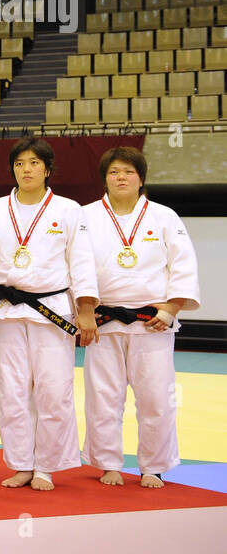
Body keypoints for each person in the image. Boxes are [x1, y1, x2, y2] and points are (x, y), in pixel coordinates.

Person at [0, 135, 98, 491]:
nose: (26, 169)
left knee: (53, 388)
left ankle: (46, 464)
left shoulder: (68, 209)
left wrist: (87, 310)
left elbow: (80, 262)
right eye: (19, 164)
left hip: (52, 310)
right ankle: (21, 462)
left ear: (47, 169)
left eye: (34, 163)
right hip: (8, 310)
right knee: (11, 389)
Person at [81, 146, 199, 489]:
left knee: (156, 398)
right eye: (114, 172)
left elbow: (183, 265)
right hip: (103, 321)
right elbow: (78, 267)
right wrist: (85, 312)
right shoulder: (86, 216)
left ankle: (154, 465)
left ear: (141, 178)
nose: (121, 178)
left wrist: (172, 308)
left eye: (128, 172)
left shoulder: (164, 217)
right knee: (103, 396)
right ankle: (107, 463)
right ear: (105, 178)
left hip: (153, 320)